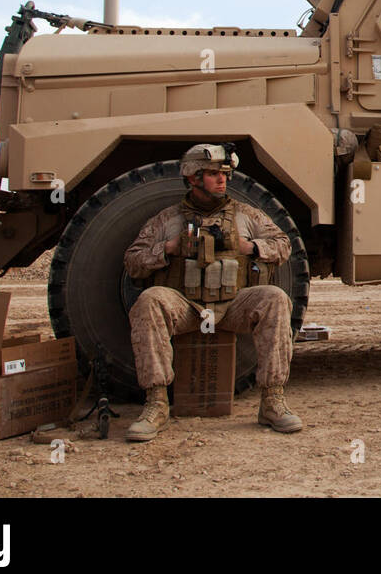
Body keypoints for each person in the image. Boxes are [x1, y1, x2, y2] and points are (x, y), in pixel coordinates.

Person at [122, 144, 302, 441]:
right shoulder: (167, 220)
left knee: (275, 298)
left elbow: (283, 244)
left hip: (233, 305)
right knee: (149, 301)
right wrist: (167, 249)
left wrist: (252, 247)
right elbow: (133, 260)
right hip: (186, 307)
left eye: (225, 174)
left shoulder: (246, 216)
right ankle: (156, 403)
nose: (223, 180)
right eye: (214, 174)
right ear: (193, 178)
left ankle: (272, 400)